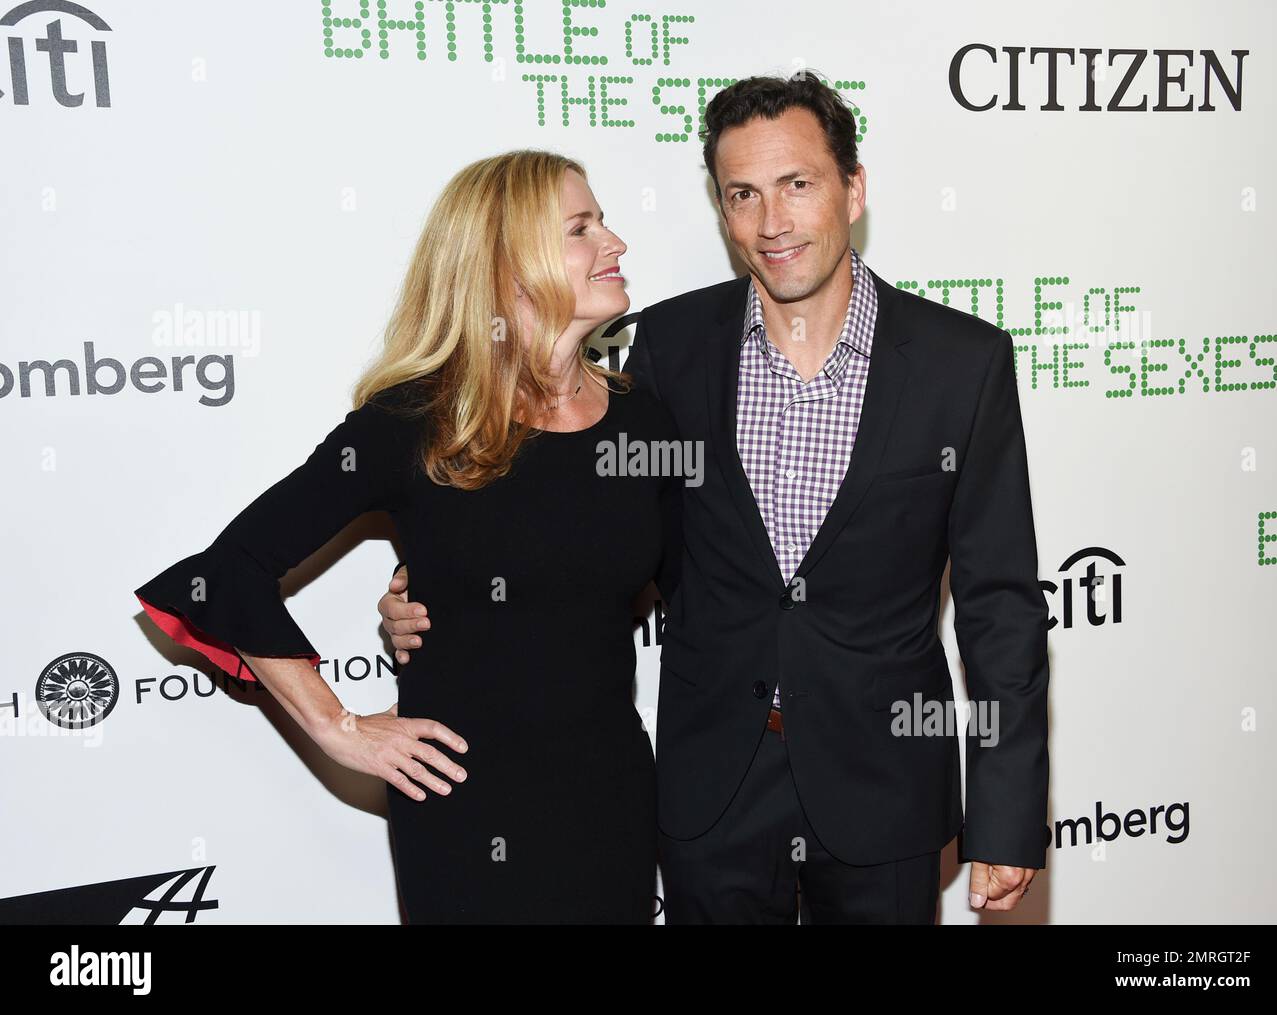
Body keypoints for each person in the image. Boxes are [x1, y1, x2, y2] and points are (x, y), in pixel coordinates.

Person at [382, 74, 1050, 924]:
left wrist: (1008, 813)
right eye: (743, 194)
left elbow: (1001, 608)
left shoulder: (964, 362)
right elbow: (579, 524)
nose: (772, 222)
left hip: (884, 791)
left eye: (797, 184)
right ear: (722, 209)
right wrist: (437, 581)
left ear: (854, 189)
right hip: (709, 792)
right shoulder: (669, 345)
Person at [134, 150, 683, 924]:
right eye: (581, 228)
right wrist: (339, 726)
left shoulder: (644, 421)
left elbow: (700, 588)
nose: (615, 242)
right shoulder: (415, 423)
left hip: (613, 801)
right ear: (507, 266)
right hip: (460, 805)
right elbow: (224, 572)